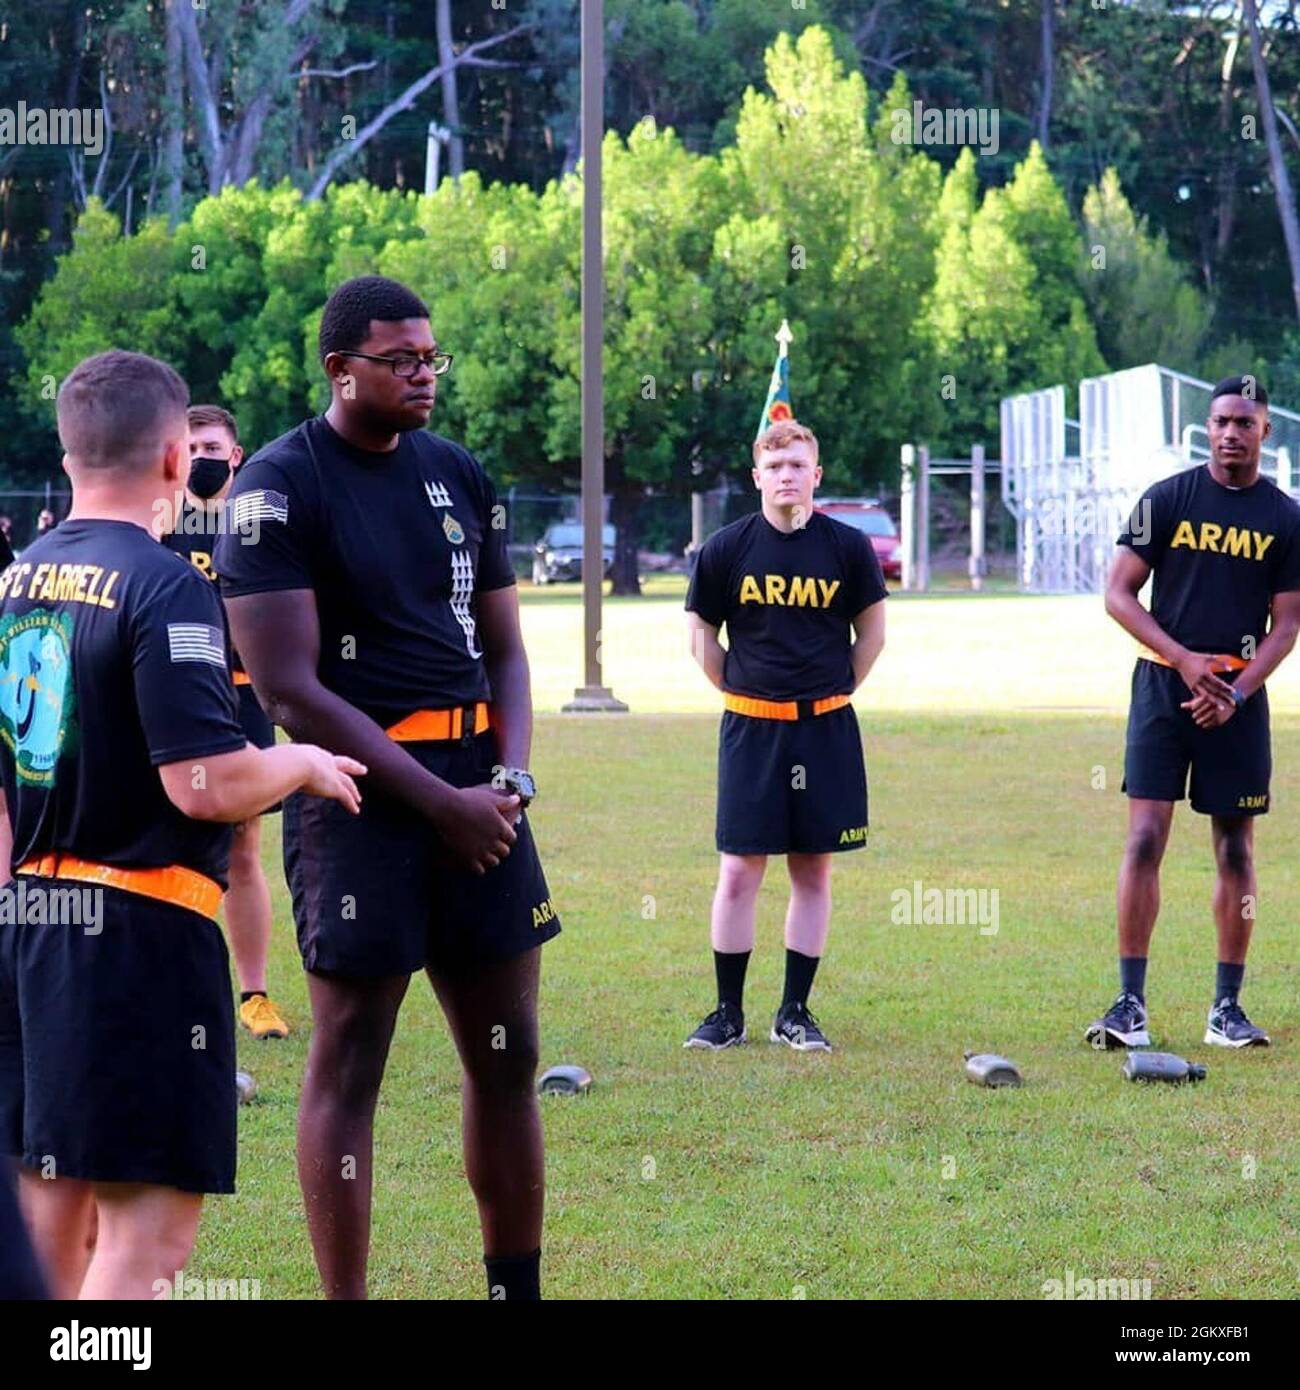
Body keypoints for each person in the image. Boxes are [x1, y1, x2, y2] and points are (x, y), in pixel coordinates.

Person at [216, 274, 559, 1301]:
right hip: (357, 795)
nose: (423, 375)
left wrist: (507, 778)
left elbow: (503, 647)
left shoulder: (457, 472)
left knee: (509, 1054)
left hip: (477, 793)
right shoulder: (278, 487)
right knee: (351, 1058)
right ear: (340, 369)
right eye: (400, 360)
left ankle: (515, 1289)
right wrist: (438, 803)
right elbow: (289, 691)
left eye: (430, 357)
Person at [0, 349, 363, 1299]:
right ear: (174, 457)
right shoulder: (164, 584)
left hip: (29, 929)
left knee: (53, 1220)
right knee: (145, 1243)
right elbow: (202, 783)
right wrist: (301, 761)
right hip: (135, 934)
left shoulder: (16, 579)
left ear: (70, 451)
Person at [1090, 375, 1300, 1051]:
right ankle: (1128, 1004)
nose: (1230, 433)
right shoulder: (1168, 498)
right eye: (1219, 421)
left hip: (1235, 698)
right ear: (1206, 428)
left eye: (1244, 422)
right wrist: (1182, 659)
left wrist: (1236, 692)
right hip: (1164, 689)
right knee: (1145, 839)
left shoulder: (1285, 518)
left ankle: (1227, 1009)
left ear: (1266, 431)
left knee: (1236, 848)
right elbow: (1119, 594)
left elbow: (1287, 624)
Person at [683, 419, 887, 1053]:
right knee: (740, 870)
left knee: (813, 870)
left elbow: (872, 635)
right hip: (752, 730)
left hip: (824, 728)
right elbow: (701, 640)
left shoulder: (848, 548)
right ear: (757, 478)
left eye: (797, 465)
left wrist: (830, 693)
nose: (786, 476)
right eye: (774, 467)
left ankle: (794, 1011)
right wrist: (747, 695)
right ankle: (726, 1013)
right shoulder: (725, 549)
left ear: (816, 475)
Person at [163, 404, 291, 1040]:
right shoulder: (157, 523)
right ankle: (165, 988)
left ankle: (254, 993)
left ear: (235, 454)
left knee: (242, 849)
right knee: (160, 840)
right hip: (168, 694)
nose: (202, 457)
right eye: (190, 447)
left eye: (212, 445)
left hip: (241, 699)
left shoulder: (257, 522)